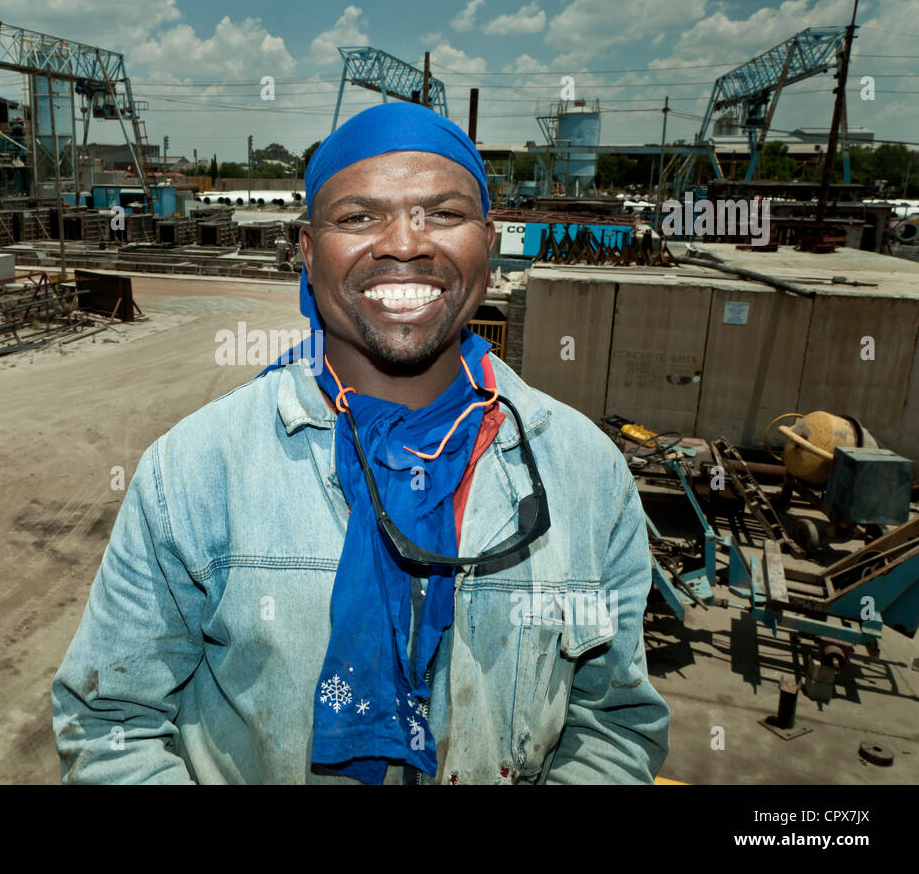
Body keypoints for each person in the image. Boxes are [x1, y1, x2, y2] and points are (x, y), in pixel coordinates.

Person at [52, 101, 669, 784]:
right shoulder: (196, 473)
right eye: (359, 217)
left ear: (488, 243)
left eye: (444, 213)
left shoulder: (586, 474)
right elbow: (110, 725)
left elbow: (611, 729)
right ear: (308, 252)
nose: (406, 243)